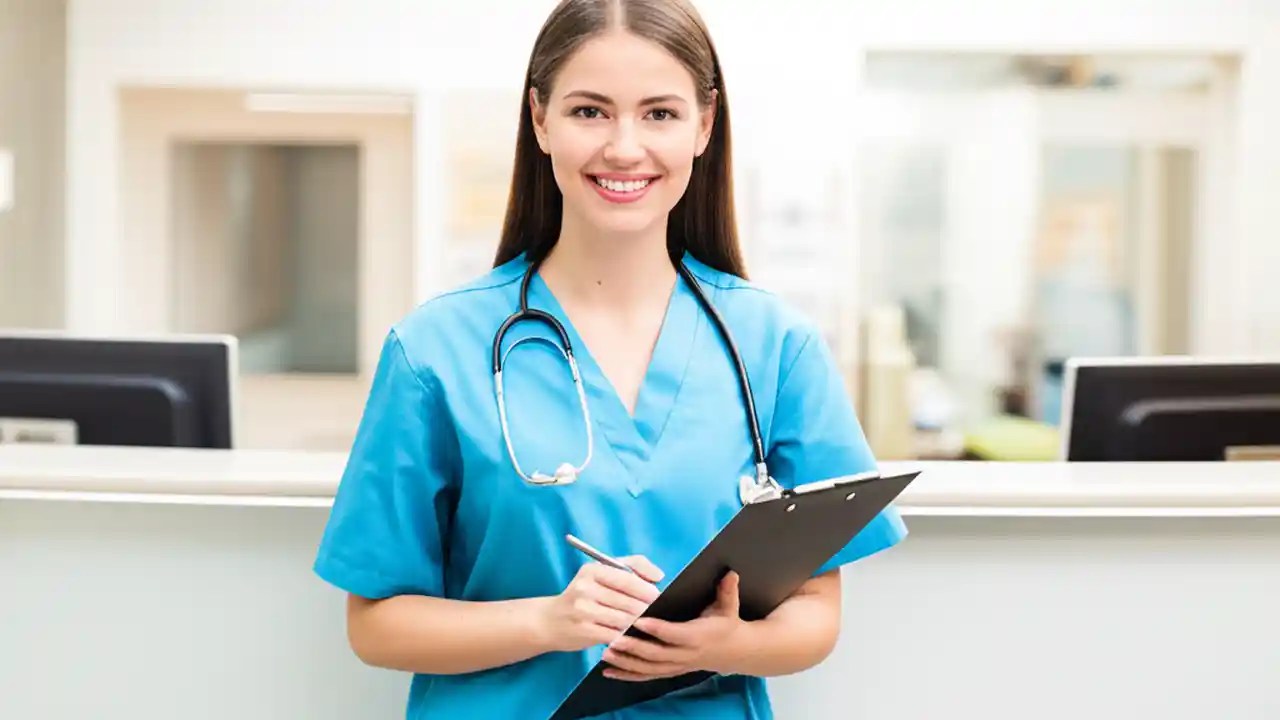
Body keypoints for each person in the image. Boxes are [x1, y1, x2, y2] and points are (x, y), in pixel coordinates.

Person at [312, 0, 907, 717]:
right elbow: (376, 624)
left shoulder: (776, 346)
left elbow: (816, 614)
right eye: (590, 111)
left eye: (660, 114)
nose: (625, 148)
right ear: (540, 120)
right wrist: (548, 622)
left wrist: (724, 644)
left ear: (704, 126)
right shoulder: (435, 349)